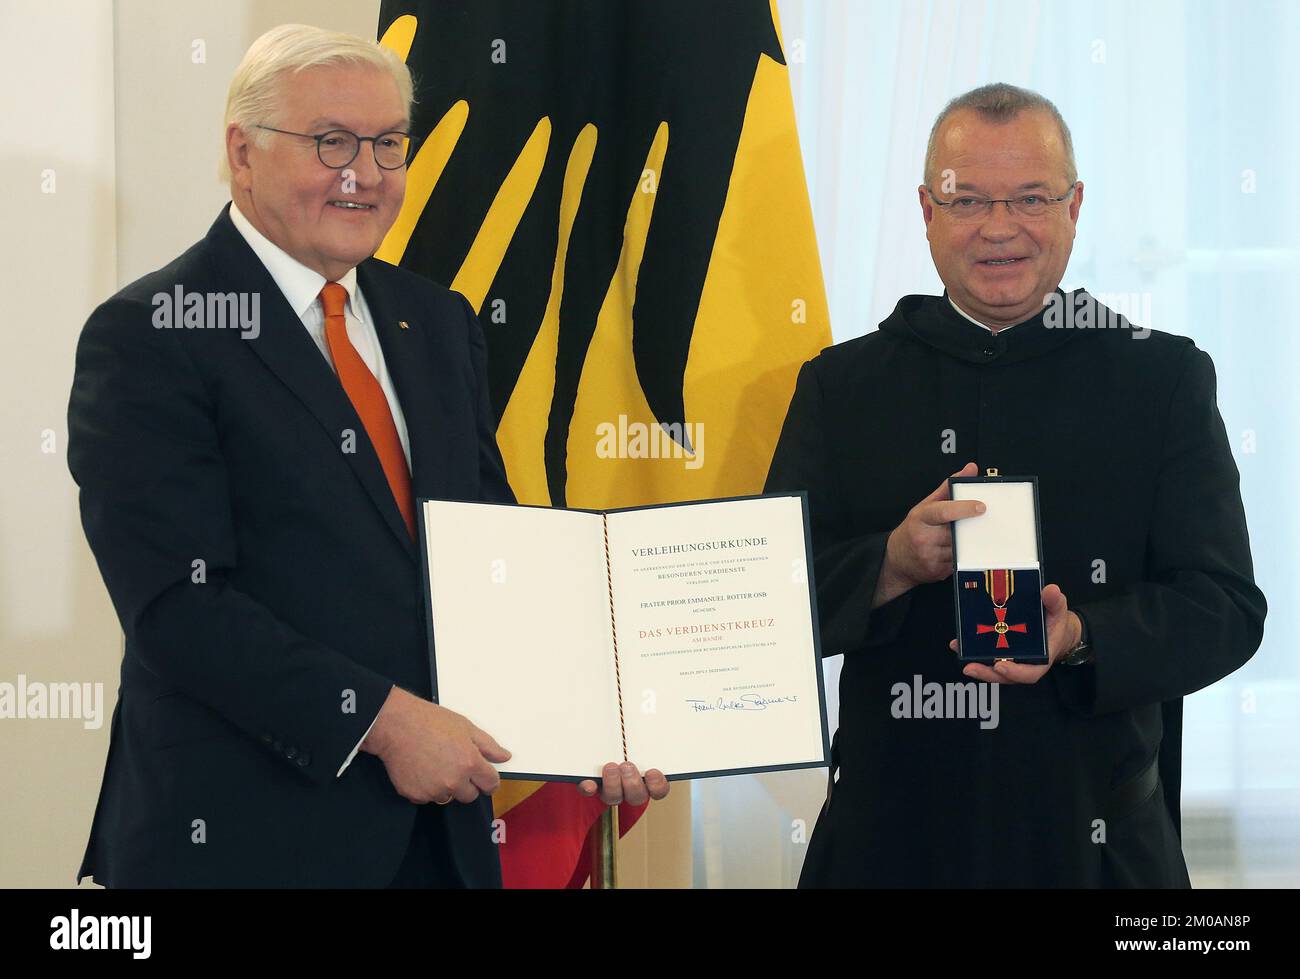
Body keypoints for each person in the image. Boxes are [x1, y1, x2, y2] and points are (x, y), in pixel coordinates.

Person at [67, 23, 666, 888]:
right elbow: (178, 608)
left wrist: (598, 719)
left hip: (442, 845)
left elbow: (490, 558)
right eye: (332, 142)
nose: (368, 174)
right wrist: (382, 722)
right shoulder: (154, 332)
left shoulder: (440, 322)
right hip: (243, 844)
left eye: (389, 143)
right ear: (243, 152)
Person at [765, 82, 1265, 887]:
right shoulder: (842, 386)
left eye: (1031, 198)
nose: (1001, 229)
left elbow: (1227, 611)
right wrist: (889, 564)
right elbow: (764, 609)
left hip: (1093, 846)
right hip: (891, 844)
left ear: (1074, 207)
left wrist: (1081, 636)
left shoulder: (1161, 378)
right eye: (969, 201)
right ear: (928, 211)